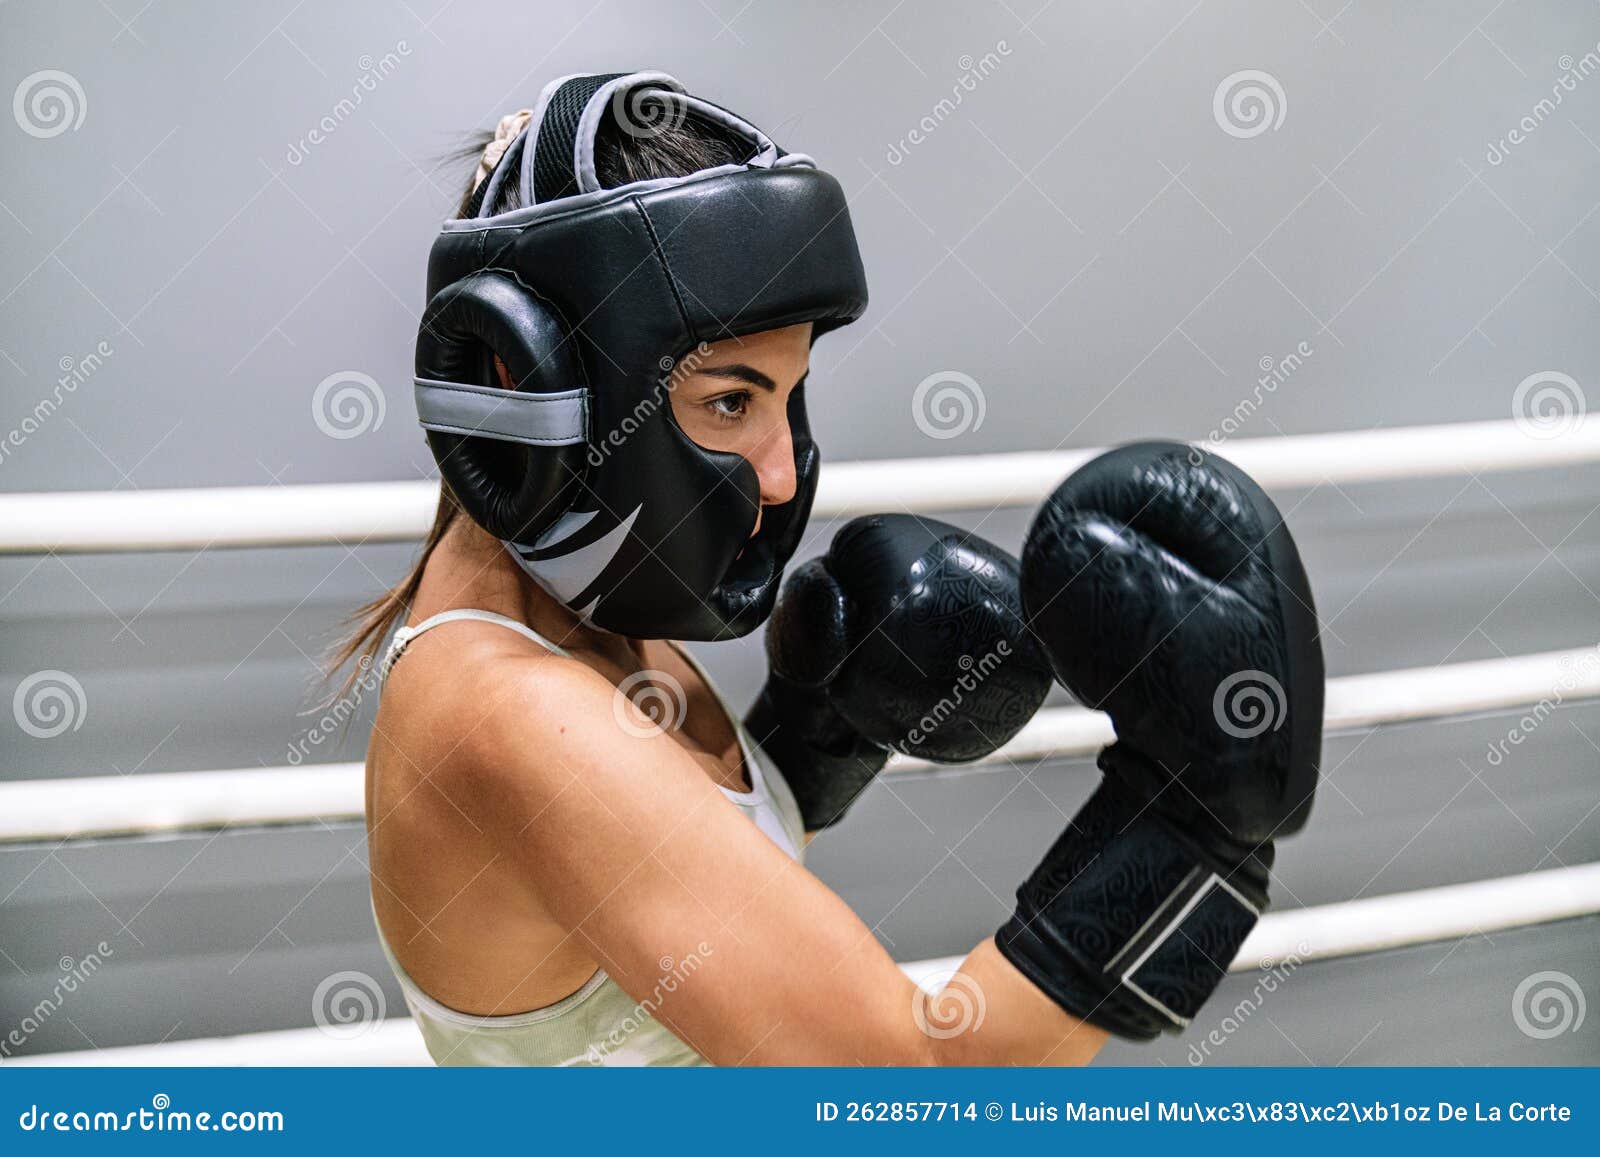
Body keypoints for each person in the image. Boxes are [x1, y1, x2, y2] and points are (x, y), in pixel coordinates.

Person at [339, 72, 1323, 1066]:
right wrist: (1194, 824)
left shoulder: (579, 623)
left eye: (788, 398)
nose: (778, 472)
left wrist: (813, 742)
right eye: (729, 401)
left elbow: (662, 883)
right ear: (521, 375)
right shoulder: (509, 717)